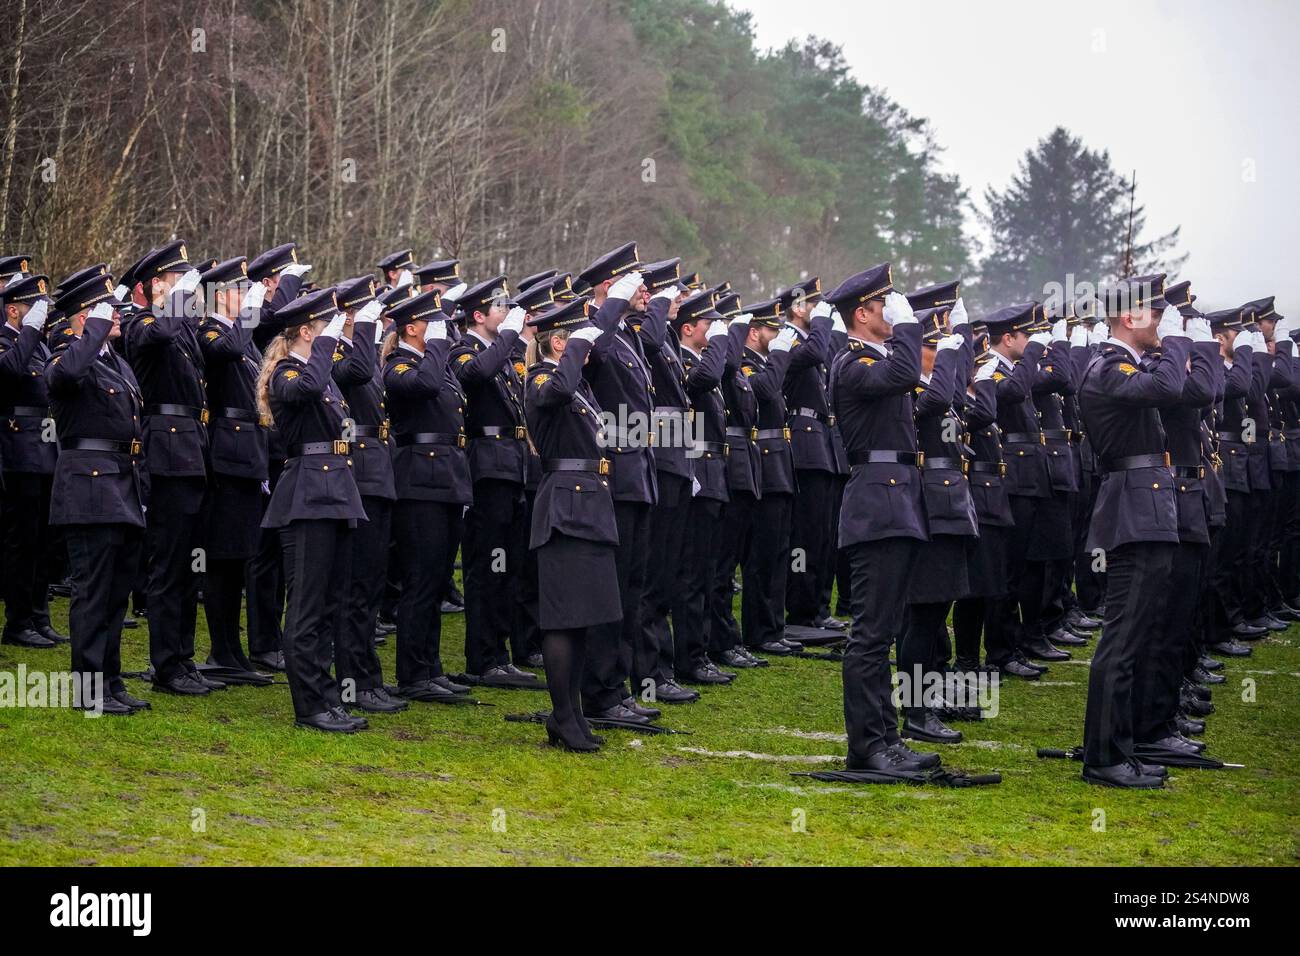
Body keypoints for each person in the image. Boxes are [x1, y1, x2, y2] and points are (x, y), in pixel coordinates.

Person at [1076, 275, 1189, 787]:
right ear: (1128, 317)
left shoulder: (1126, 365)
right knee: (1121, 639)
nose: (1163, 321)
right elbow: (1169, 386)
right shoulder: (1108, 368)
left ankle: (1120, 746)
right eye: (1155, 313)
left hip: (1147, 507)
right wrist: (1186, 340)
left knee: (1137, 633)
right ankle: (1103, 758)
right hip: (1132, 509)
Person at [826, 264, 938, 776]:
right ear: (863, 313)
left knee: (886, 631)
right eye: (885, 304)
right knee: (869, 634)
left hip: (897, 502)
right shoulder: (849, 363)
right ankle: (867, 746)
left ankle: (887, 739)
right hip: (876, 505)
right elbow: (905, 374)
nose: (892, 312)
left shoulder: (878, 357)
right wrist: (911, 326)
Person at [257, 287, 368, 732]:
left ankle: (325, 696)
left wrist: (359, 329)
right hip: (306, 493)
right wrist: (324, 343)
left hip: (336, 490)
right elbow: (306, 389)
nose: (334, 337)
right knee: (305, 604)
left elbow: (356, 370)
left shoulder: (320, 371)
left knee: (328, 604)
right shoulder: (286, 373)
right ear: (307, 331)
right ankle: (309, 706)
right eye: (325, 329)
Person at [45, 275, 149, 715]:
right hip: (88, 486)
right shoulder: (66, 357)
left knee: (115, 594)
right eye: (108, 309)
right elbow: (68, 374)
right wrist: (88, 331)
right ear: (85, 317)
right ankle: (88, 690)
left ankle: (110, 679)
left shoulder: (116, 362)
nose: (120, 314)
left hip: (122, 483)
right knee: (92, 592)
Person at [522, 295, 620, 751]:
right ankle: (562, 717)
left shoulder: (576, 383)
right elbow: (556, 393)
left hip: (589, 503)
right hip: (565, 506)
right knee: (562, 620)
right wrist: (578, 346)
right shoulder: (541, 377)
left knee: (584, 619)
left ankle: (574, 714)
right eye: (575, 340)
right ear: (558, 342)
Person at [124, 243, 215, 696]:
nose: (185, 286)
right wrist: (180, 297)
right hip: (166, 453)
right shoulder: (140, 322)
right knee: (168, 566)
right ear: (155, 284)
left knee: (187, 567)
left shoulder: (180, 327)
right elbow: (155, 335)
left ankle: (183, 657)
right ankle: (166, 665)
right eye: (174, 279)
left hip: (191, 451)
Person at [574, 244, 660, 725]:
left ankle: (617, 687)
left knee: (632, 587)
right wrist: (609, 305)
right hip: (612, 475)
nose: (645, 290)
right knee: (610, 589)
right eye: (634, 282)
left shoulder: (627, 333)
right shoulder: (593, 327)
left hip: (638, 471)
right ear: (609, 285)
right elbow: (587, 357)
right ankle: (601, 692)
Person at [381, 289, 473, 703]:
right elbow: (428, 384)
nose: (442, 331)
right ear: (411, 328)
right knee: (420, 580)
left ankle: (431, 667)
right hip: (419, 481)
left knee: (436, 579)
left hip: (447, 478)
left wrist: (436, 345)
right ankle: (412, 674)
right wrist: (436, 344)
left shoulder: (431, 360)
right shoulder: (398, 364)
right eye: (431, 324)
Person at [449, 276, 539, 686]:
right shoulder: (463, 350)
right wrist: (508, 336)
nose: (508, 315)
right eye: (500, 309)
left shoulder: (501, 351)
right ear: (479, 315)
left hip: (511, 467)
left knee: (508, 565)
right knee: (487, 565)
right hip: (487, 469)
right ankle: (483, 657)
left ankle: (499, 652)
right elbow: (476, 376)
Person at [899, 299, 977, 744]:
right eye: (937, 341)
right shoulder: (911, 389)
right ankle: (915, 711)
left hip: (948, 511)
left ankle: (926, 702)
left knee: (933, 617)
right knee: (922, 619)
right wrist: (951, 354)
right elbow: (938, 401)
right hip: (928, 511)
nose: (944, 349)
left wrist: (955, 352)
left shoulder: (935, 384)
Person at [329, 276, 407, 713]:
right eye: (367, 314)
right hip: (358, 473)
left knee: (370, 585)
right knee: (354, 587)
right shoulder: (338, 354)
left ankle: (368, 676)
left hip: (377, 472)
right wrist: (360, 330)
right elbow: (355, 373)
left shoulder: (362, 352)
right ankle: (352, 683)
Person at [196, 256, 270, 683]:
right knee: (223, 558)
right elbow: (228, 350)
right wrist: (245, 317)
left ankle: (232, 648)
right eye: (242, 291)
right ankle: (222, 649)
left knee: (239, 555)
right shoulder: (210, 330)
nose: (249, 300)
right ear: (222, 296)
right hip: (226, 458)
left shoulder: (241, 337)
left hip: (246, 456)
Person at [671, 288, 740, 685]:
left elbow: (723, 369)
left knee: (709, 567)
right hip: (698, 468)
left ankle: (702, 649)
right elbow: (710, 375)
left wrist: (718, 340)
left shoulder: (701, 359)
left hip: (714, 469)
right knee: (692, 572)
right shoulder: (680, 360)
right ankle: (690, 657)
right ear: (688, 329)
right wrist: (718, 341)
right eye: (708, 324)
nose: (716, 330)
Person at [737, 297, 805, 656]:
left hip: (779, 463)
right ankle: (759, 630)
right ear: (754, 332)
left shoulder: (764, 363)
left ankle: (773, 626)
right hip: (763, 464)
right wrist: (779, 354)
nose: (777, 335)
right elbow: (763, 391)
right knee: (762, 556)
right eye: (771, 330)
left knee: (779, 553)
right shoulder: (747, 365)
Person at [0, 271, 64, 648]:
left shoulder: (36, 344)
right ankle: (17, 620)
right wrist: (28, 332)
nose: (39, 316)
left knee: (44, 539)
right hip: (18, 451)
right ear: (12, 311)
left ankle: (38, 614)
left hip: (45, 448)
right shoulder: (10, 341)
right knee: (21, 541)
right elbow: (8, 373)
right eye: (30, 308)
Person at [778, 278, 839, 631]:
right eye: (812, 304)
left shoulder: (811, 341)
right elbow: (817, 353)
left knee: (822, 535)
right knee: (803, 537)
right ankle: (801, 608)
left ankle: (818, 606)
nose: (819, 311)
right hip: (802, 445)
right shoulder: (790, 343)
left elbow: (827, 356)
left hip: (822, 445)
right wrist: (820, 322)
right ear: (798, 308)